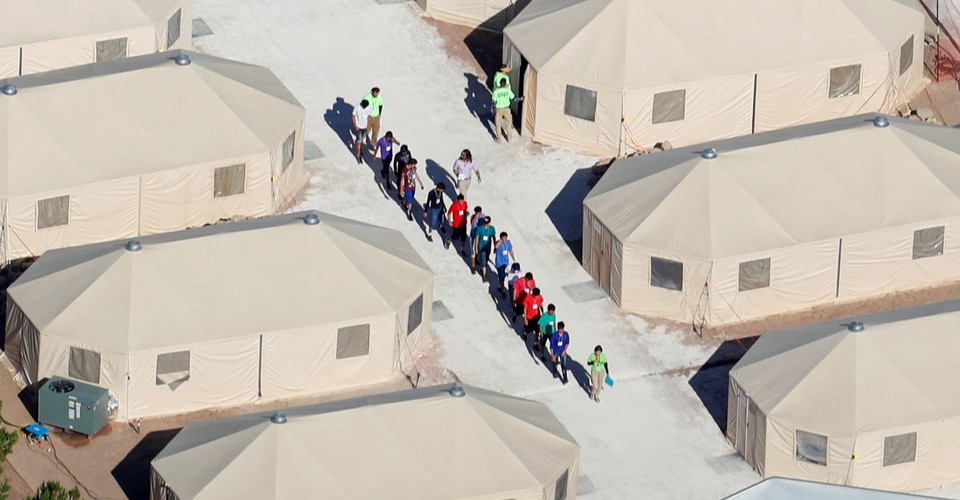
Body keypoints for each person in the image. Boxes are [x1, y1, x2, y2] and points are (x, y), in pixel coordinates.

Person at [492, 79, 515, 144]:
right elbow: (513, 98)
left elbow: (494, 101)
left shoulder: (496, 91)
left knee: (498, 124)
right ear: (505, 84)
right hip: (506, 108)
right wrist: (521, 98)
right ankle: (509, 138)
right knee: (508, 123)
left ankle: (499, 139)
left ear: (500, 84)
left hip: (499, 109)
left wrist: (493, 109)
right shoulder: (508, 91)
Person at [493, 232, 515, 297]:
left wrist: (513, 258)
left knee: (505, 275)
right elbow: (496, 246)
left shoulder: (508, 243)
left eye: (505, 237)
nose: (505, 239)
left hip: (506, 263)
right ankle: (503, 290)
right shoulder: (498, 243)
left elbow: (510, 250)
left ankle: (500, 285)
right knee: (502, 276)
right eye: (503, 238)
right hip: (499, 263)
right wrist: (501, 241)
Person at [351, 99, 372, 164]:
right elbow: (353, 116)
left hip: (365, 127)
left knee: (362, 140)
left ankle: (360, 150)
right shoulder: (357, 108)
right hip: (359, 128)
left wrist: (368, 124)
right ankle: (358, 155)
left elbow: (369, 116)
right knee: (359, 141)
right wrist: (355, 126)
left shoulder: (368, 107)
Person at [468, 206, 485, 273]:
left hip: (480, 237)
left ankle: (477, 260)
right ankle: (473, 267)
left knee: (479, 251)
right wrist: (476, 217)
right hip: (473, 236)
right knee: (473, 252)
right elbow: (472, 223)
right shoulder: (473, 216)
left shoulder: (483, 217)